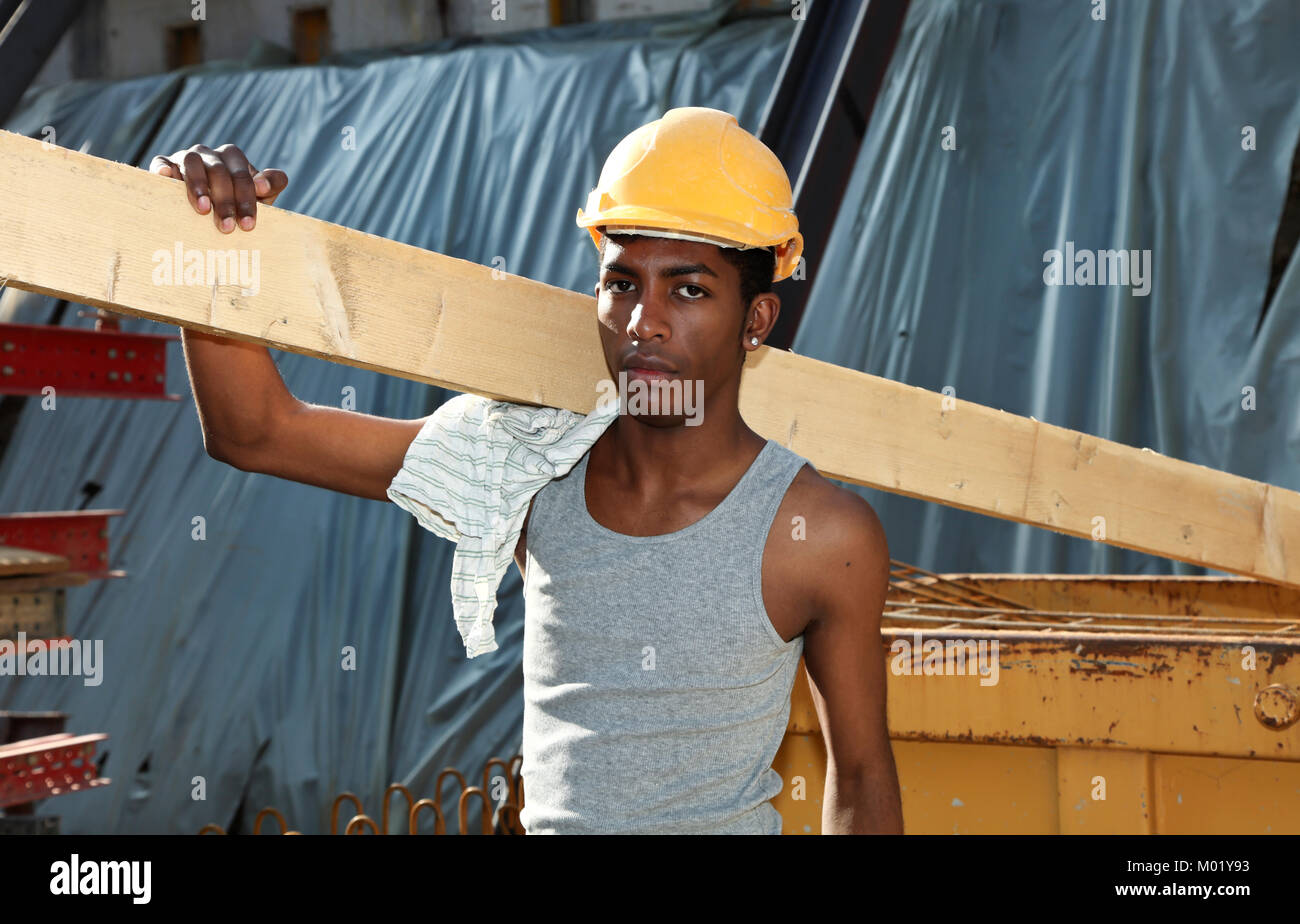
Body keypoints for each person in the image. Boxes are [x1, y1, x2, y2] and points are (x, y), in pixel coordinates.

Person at [151, 106, 903, 834]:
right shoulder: (531, 463)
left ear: (757, 321)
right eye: (621, 283)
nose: (645, 320)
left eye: (689, 288)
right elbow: (256, 433)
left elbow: (863, 777)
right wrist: (213, 246)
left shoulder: (820, 534)